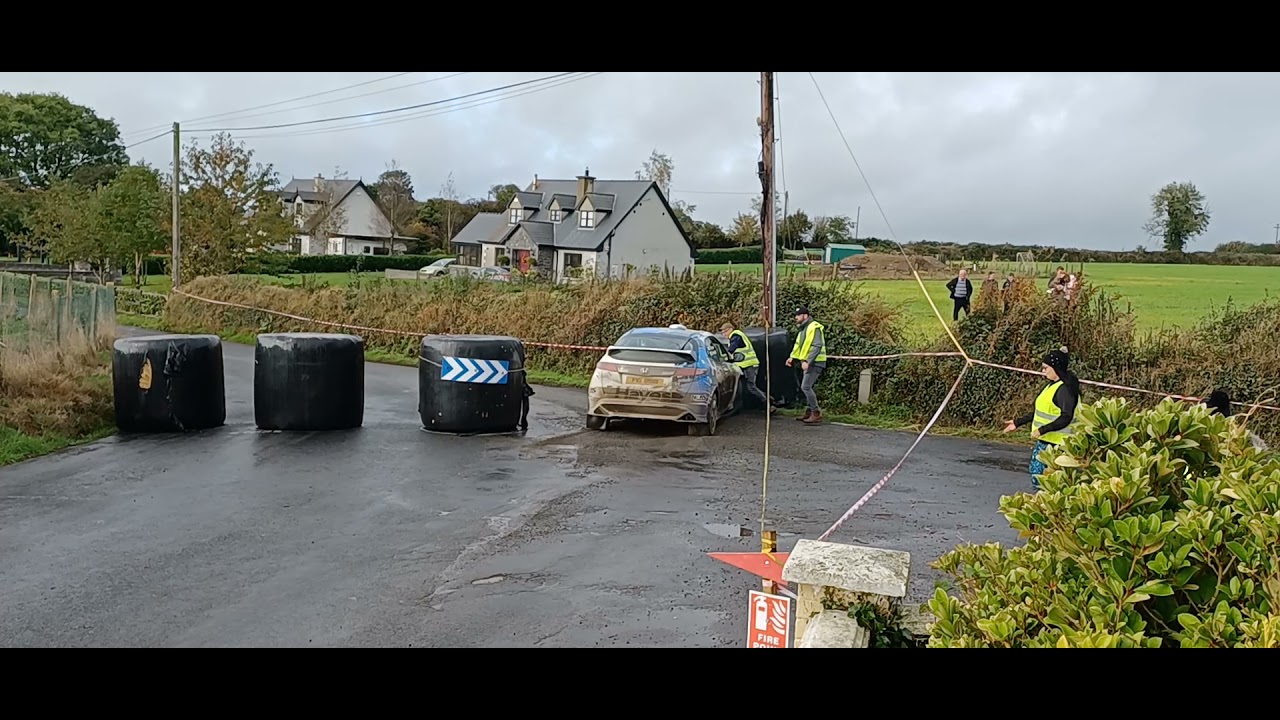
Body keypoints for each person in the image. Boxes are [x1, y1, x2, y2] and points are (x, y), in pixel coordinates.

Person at [1003, 347, 1081, 492]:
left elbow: (1066, 416)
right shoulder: (1052, 386)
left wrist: (1042, 430)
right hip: (1046, 442)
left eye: (1046, 368)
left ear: (1056, 368)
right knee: (1038, 477)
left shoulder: (1064, 390)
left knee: (1048, 482)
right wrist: (1018, 422)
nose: (1043, 371)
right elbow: (1041, 411)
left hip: (1058, 445)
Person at [786, 306, 827, 425]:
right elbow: (798, 346)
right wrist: (792, 357)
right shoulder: (803, 329)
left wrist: (808, 361)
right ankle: (810, 412)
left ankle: (815, 413)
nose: (796, 317)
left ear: (805, 316)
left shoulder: (814, 327)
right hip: (809, 362)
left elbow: (817, 346)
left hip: (815, 362)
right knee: (807, 387)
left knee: (806, 387)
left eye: (798, 315)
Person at [721, 322, 774, 413]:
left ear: (730, 329)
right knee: (747, 386)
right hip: (746, 365)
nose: (723, 334)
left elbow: (731, 350)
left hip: (750, 364)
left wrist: (724, 357)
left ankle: (768, 402)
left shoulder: (736, 336)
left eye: (725, 332)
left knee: (751, 386)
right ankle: (767, 399)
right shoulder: (737, 336)